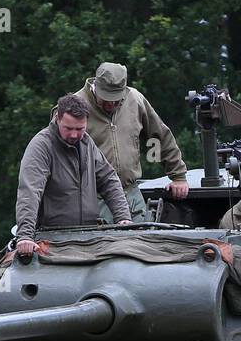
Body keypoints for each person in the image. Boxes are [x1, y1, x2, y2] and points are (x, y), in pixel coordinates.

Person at [15, 94, 132, 259]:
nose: (74, 135)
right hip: (54, 239)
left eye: (80, 129)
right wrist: (25, 236)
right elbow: (30, 191)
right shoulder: (41, 146)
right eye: (68, 128)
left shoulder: (86, 143)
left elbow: (108, 179)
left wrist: (123, 218)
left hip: (90, 238)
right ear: (58, 118)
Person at [74, 62, 190, 223]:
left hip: (131, 194)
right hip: (93, 197)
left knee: (143, 244)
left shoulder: (135, 100)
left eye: (116, 100)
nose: (110, 104)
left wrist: (177, 175)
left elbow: (156, 137)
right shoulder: (75, 106)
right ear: (96, 87)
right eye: (106, 99)